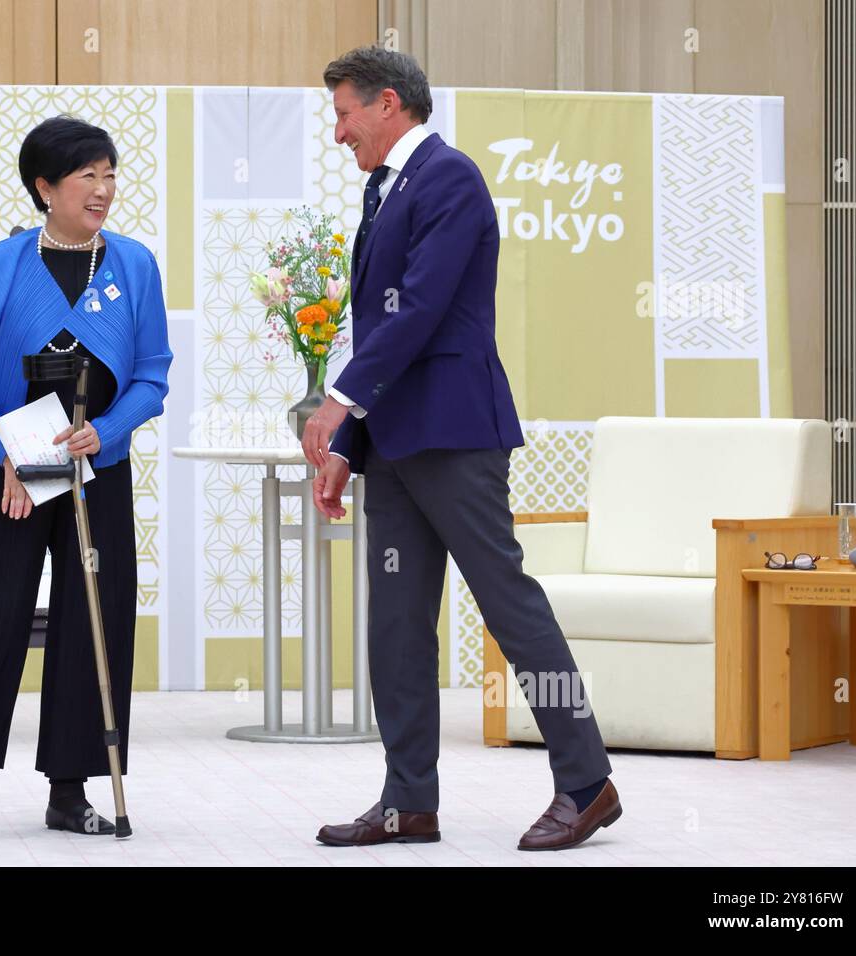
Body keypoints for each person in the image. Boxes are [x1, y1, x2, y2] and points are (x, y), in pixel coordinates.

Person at [301, 46, 621, 851]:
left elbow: (422, 312)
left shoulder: (448, 177)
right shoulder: (387, 190)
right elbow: (380, 328)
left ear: (388, 104)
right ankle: (408, 800)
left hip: (453, 434)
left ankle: (586, 782)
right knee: (396, 624)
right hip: (397, 444)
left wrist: (338, 404)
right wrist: (353, 443)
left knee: (510, 608)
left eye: (344, 113)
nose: (338, 132)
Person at [0, 115, 173, 836]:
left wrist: (104, 431)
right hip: (8, 477)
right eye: (87, 175)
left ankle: (69, 788)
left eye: (110, 173)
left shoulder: (135, 265)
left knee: (96, 622)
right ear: (44, 186)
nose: (103, 188)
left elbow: (152, 377)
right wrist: (13, 451)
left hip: (96, 471)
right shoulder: (6, 263)